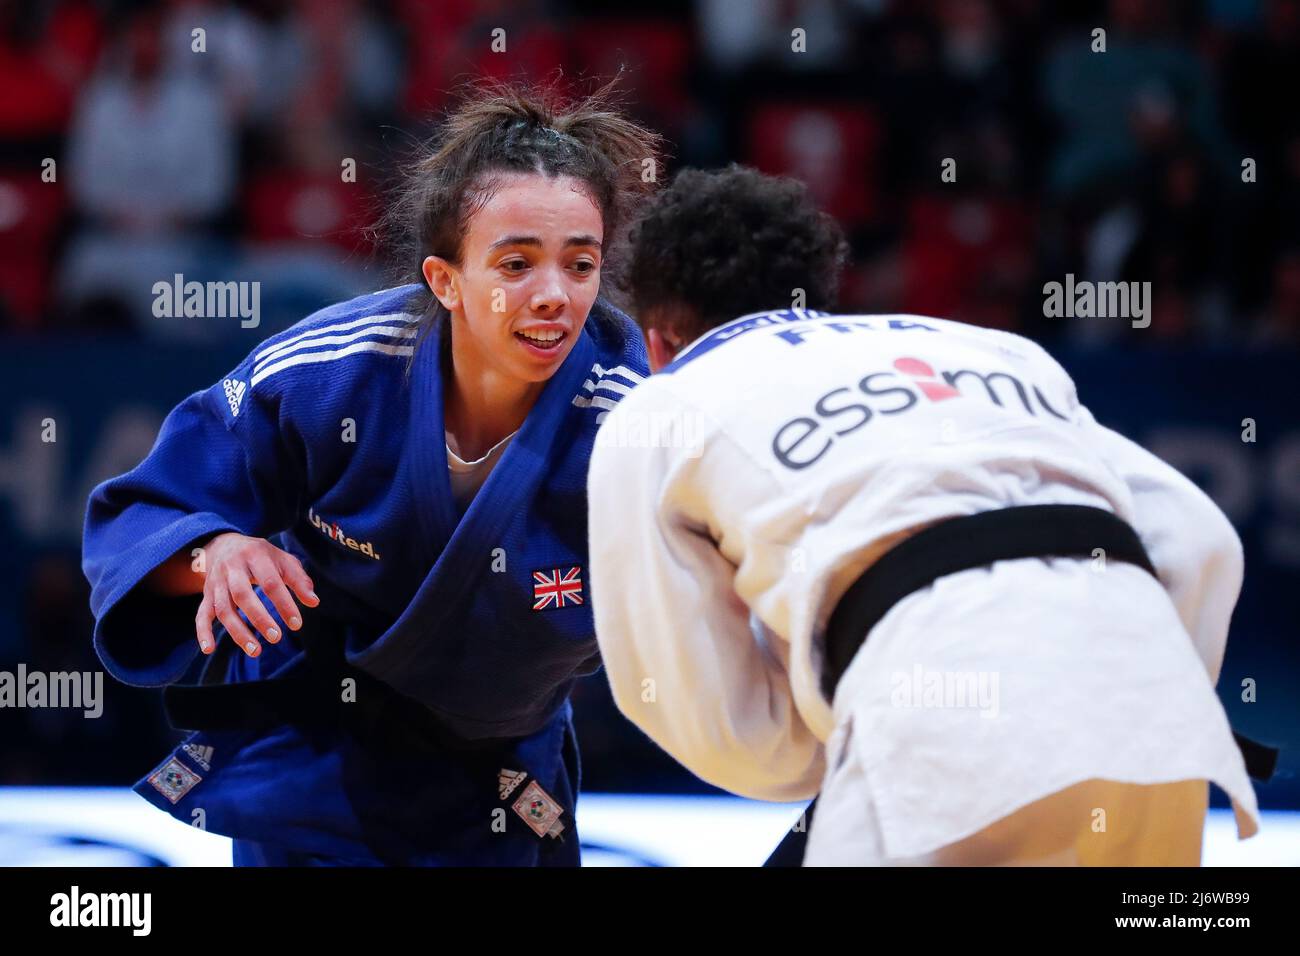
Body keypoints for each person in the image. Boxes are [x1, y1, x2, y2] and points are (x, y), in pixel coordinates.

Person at [586, 165, 1263, 866]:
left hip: (937, 714)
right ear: (817, 294)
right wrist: (1132, 671)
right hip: (1153, 714)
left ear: (657, 340)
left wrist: (832, 726)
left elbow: (711, 718)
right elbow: (1198, 534)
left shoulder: (662, 405)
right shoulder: (986, 348)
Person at [81, 82, 659, 866]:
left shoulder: (637, 423)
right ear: (445, 280)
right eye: (516, 263)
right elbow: (144, 510)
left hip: (495, 778)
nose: (555, 295)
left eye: (580, 263)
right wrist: (215, 554)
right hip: (317, 761)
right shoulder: (334, 373)